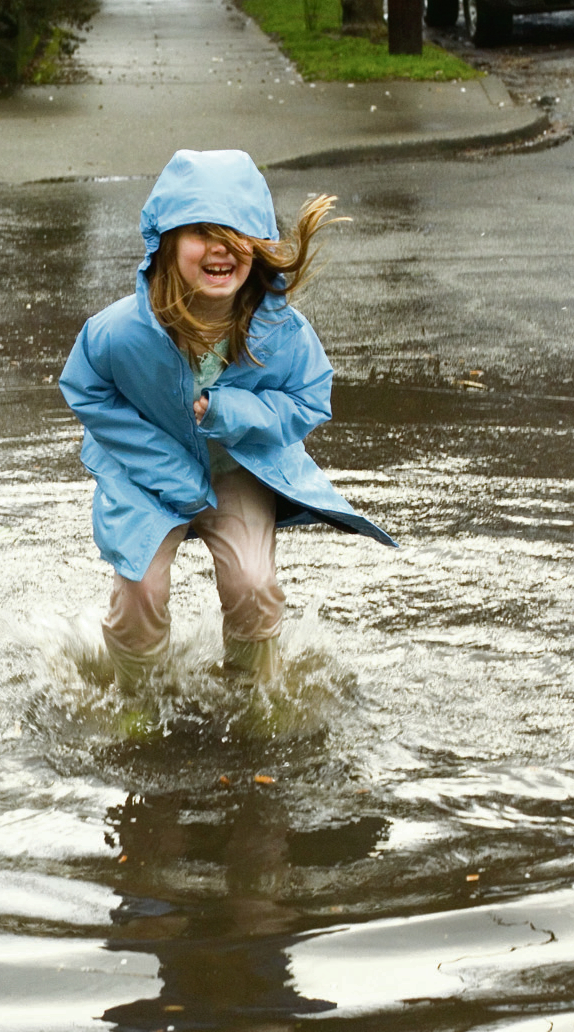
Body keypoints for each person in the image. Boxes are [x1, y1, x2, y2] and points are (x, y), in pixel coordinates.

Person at [58, 149, 397, 690]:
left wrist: (238, 412)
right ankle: (135, 697)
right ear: (167, 244)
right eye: (201, 232)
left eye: (236, 233)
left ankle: (252, 692)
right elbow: (84, 386)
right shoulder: (122, 330)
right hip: (146, 472)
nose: (220, 247)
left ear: (257, 244)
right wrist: (165, 467)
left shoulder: (281, 331)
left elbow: (311, 398)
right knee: (143, 587)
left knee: (253, 584)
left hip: (237, 465)